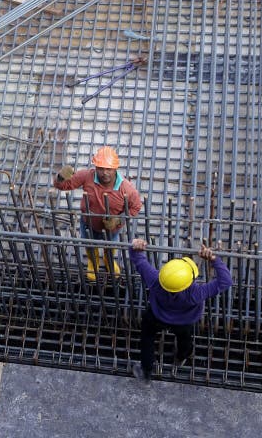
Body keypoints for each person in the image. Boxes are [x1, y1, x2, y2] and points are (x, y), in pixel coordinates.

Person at [129, 238, 233, 382]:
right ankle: (181, 357)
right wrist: (214, 260)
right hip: (184, 321)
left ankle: (146, 371)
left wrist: (136, 246)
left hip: (157, 316)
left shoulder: (155, 280)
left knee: (147, 337)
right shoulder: (195, 292)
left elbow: (138, 259)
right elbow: (226, 281)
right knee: (185, 338)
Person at [54, 146, 142, 280]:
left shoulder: (127, 189)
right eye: (100, 168)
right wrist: (60, 177)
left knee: (110, 245)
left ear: (115, 169)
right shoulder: (87, 176)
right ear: (95, 167)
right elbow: (62, 186)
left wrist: (119, 220)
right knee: (90, 244)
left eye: (109, 169)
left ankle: (108, 260)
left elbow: (135, 207)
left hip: (111, 228)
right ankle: (93, 262)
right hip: (88, 223)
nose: (104, 173)